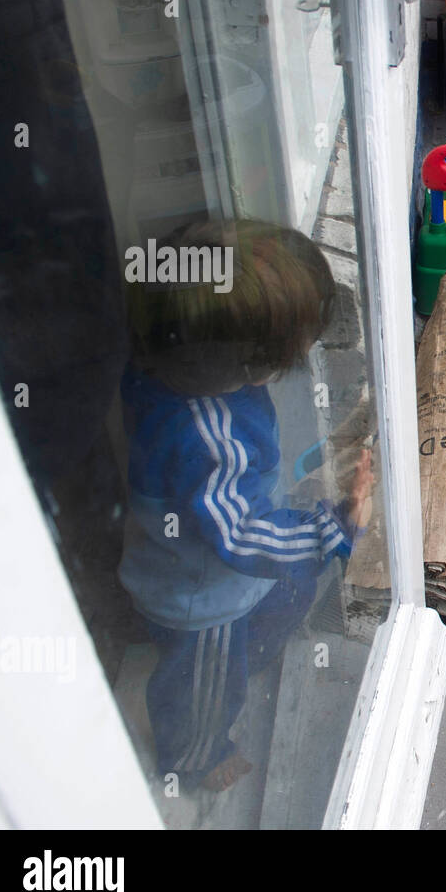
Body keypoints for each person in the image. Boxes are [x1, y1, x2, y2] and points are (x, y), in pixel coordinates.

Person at [119, 219, 372, 791]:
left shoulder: (162, 368)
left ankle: (248, 653)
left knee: (285, 593)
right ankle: (194, 757)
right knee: (203, 685)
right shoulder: (212, 435)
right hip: (201, 596)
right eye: (285, 357)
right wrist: (331, 526)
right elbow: (240, 535)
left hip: (188, 550)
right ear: (247, 366)